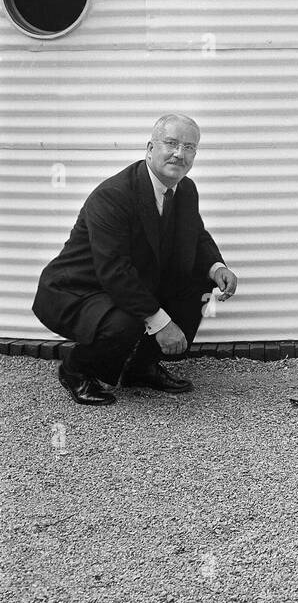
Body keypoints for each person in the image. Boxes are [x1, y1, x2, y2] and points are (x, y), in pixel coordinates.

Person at [32, 114, 238, 406]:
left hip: (121, 281)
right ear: (150, 148)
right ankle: (75, 369)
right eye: (171, 143)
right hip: (78, 288)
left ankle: (140, 368)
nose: (180, 154)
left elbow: (196, 234)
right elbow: (114, 271)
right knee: (127, 321)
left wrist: (217, 268)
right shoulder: (113, 196)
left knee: (195, 281)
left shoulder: (186, 189)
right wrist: (161, 323)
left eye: (189, 147)